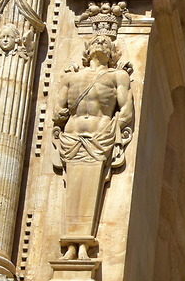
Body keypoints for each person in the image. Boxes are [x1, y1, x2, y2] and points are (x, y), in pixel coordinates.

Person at [52, 26, 135, 260]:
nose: (100, 43)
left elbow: (126, 110)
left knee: (89, 190)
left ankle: (84, 245)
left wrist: (116, 132)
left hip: (100, 136)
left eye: (105, 42)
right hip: (72, 136)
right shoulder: (70, 77)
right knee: (73, 190)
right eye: (96, 41)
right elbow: (59, 111)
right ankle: (69, 246)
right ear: (87, 49)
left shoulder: (117, 76)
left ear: (112, 52)